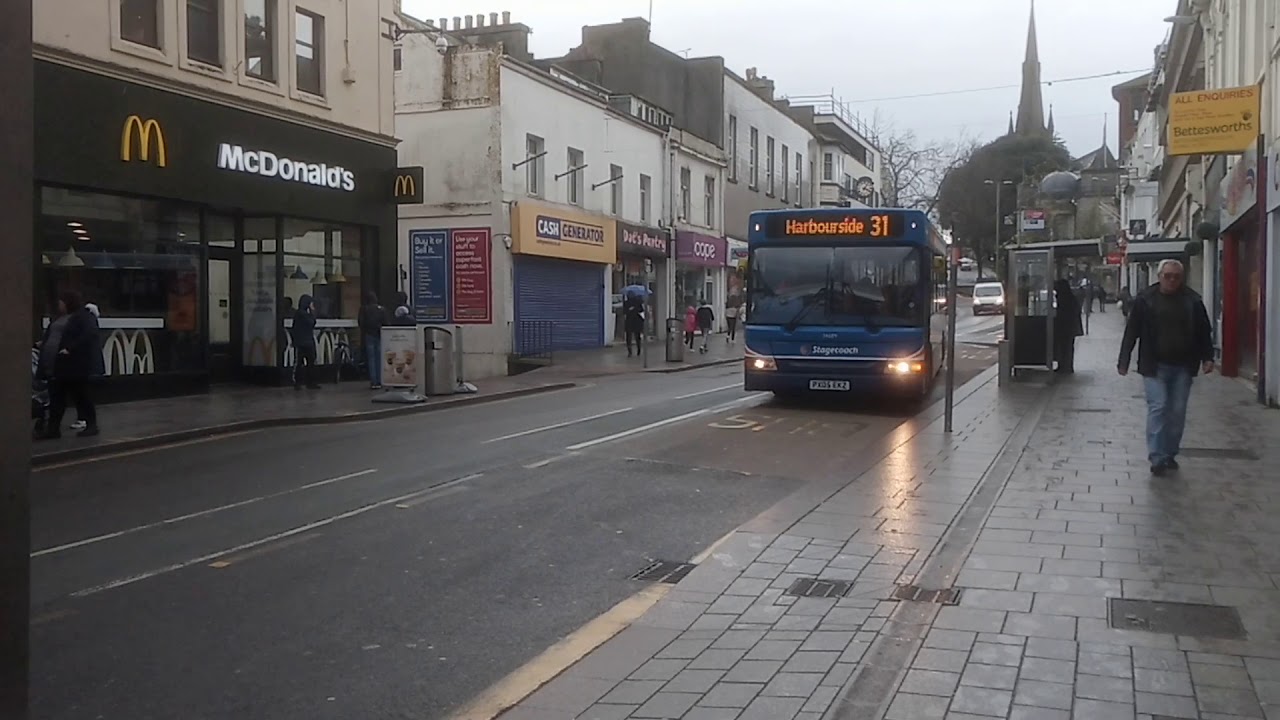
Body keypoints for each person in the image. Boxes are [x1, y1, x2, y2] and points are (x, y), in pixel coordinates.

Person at [1117, 258, 1215, 476]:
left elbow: (1203, 332)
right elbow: (1132, 331)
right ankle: (1157, 457)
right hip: (1154, 365)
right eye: (1167, 276)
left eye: (1176, 277)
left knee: (1177, 412)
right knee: (1159, 406)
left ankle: (1169, 453)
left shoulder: (1193, 301)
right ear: (1159, 277)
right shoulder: (1145, 300)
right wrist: (1124, 360)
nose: (1172, 280)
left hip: (1183, 366)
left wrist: (1208, 357)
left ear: (1182, 278)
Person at [38, 290, 100, 439]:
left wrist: (70, 348)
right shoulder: (59, 318)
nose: (59, 304)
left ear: (69, 302)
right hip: (57, 366)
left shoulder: (83, 316)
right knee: (56, 399)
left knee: (81, 396)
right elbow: (52, 334)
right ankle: (53, 429)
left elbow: (89, 334)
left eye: (62, 301)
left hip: (74, 365)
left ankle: (91, 425)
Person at [1052, 279, 1083, 373]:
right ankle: (1067, 365)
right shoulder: (1070, 297)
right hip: (1069, 327)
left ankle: (1064, 366)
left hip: (1065, 326)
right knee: (1067, 347)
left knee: (1064, 346)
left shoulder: (1064, 298)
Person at [291, 294, 321, 390]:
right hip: (307, 341)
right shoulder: (304, 314)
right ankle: (310, 382)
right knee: (310, 362)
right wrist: (312, 311)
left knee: (300, 363)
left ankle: (298, 382)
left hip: (300, 341)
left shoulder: (297, 314)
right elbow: (312, 323)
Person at [358, 292, 386, 389]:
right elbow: (386, 322)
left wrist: (365, 330)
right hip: (379, 334)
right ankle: (379, 380)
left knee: (371, 358)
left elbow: (361, 322)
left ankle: (373, 381)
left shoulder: (364, 309)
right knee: (379, 358)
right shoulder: (381, 309)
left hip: (369, 334)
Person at [622, 292, 645, 357]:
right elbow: (641, 310)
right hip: (635, 320)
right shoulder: (637, 302)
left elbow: (624, 312)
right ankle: (637, 350)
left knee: (631, 336)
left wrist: (632, 309)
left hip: (632, 320)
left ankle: (632, 351)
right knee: (635, 336)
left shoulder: (628, 303)